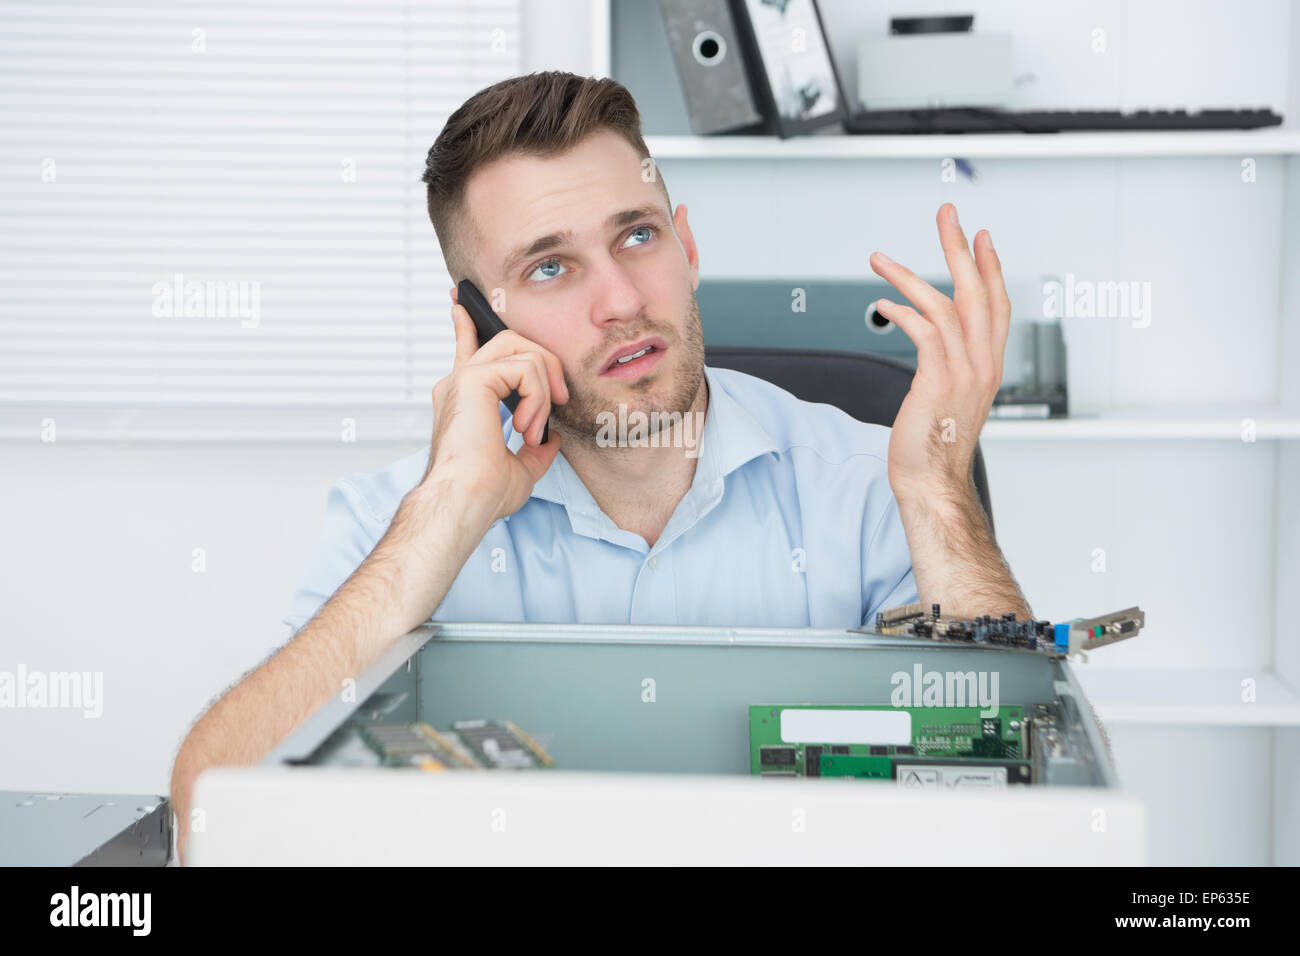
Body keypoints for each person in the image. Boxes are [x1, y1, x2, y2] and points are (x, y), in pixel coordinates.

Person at [170, 71, 1029, 864]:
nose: (621, 300)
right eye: (550, 267)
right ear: (479, 318)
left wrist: (935, 489)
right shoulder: (398, 519)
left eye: (638, 236)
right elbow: (210, 807)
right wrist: (452, 508)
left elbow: (1014, 798)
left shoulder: (871, 482)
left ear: (685, 246)